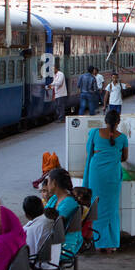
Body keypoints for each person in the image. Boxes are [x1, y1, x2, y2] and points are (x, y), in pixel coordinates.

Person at [84, 109, 128, 254]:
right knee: (112, 209)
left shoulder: (95, 133)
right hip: (112, 176)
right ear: (118, 122)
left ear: (105, 120)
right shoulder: (122, 138)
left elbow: (88, 152)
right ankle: (112, 244)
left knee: (96, 208)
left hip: (96, 174)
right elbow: (124, 158)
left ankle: (99, 243)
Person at [42, 168, 82, 259]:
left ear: (54, 183)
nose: (47, 185)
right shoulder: (54, 198)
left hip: (64, 245)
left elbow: (55, 225)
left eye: (48, 181)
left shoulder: (68, 202)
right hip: (55, 239)